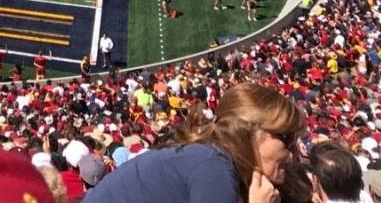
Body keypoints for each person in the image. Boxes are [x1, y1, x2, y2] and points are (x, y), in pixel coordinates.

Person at [83, 82, 304, 203]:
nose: (293, 151)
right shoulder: (214, 168)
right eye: (287, 138)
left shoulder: (205, 156)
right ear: (249, 133)